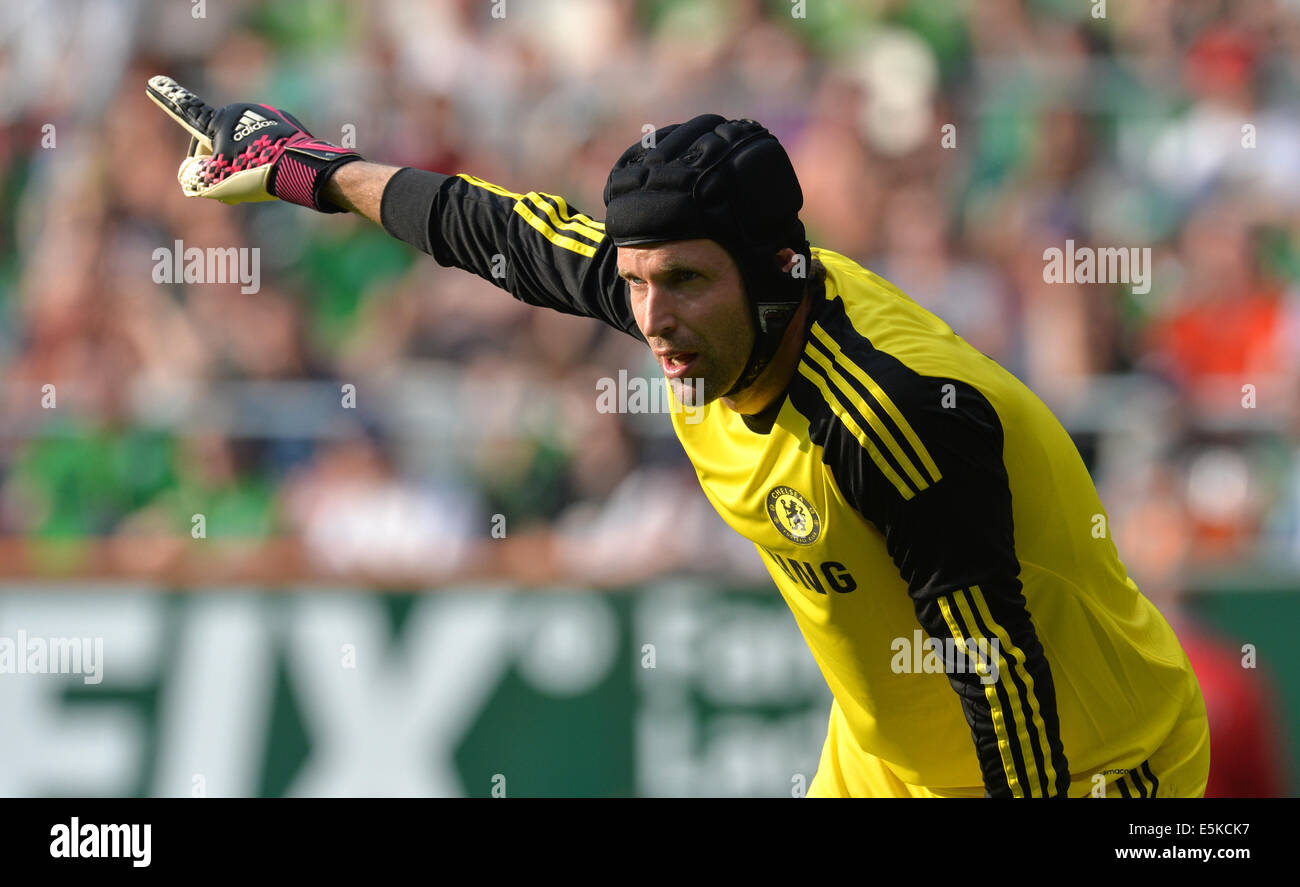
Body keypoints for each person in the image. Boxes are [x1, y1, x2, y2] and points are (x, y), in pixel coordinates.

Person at [146, 75, 1211, 798]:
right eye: (640, 281)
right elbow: (494, 229)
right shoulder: (690, 297)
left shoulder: (889, 422)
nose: (650, 317)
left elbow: (1001, 681)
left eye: (684, 282)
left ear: (779, 268)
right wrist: (306, 168)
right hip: (892, 765)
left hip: (1088, 761)